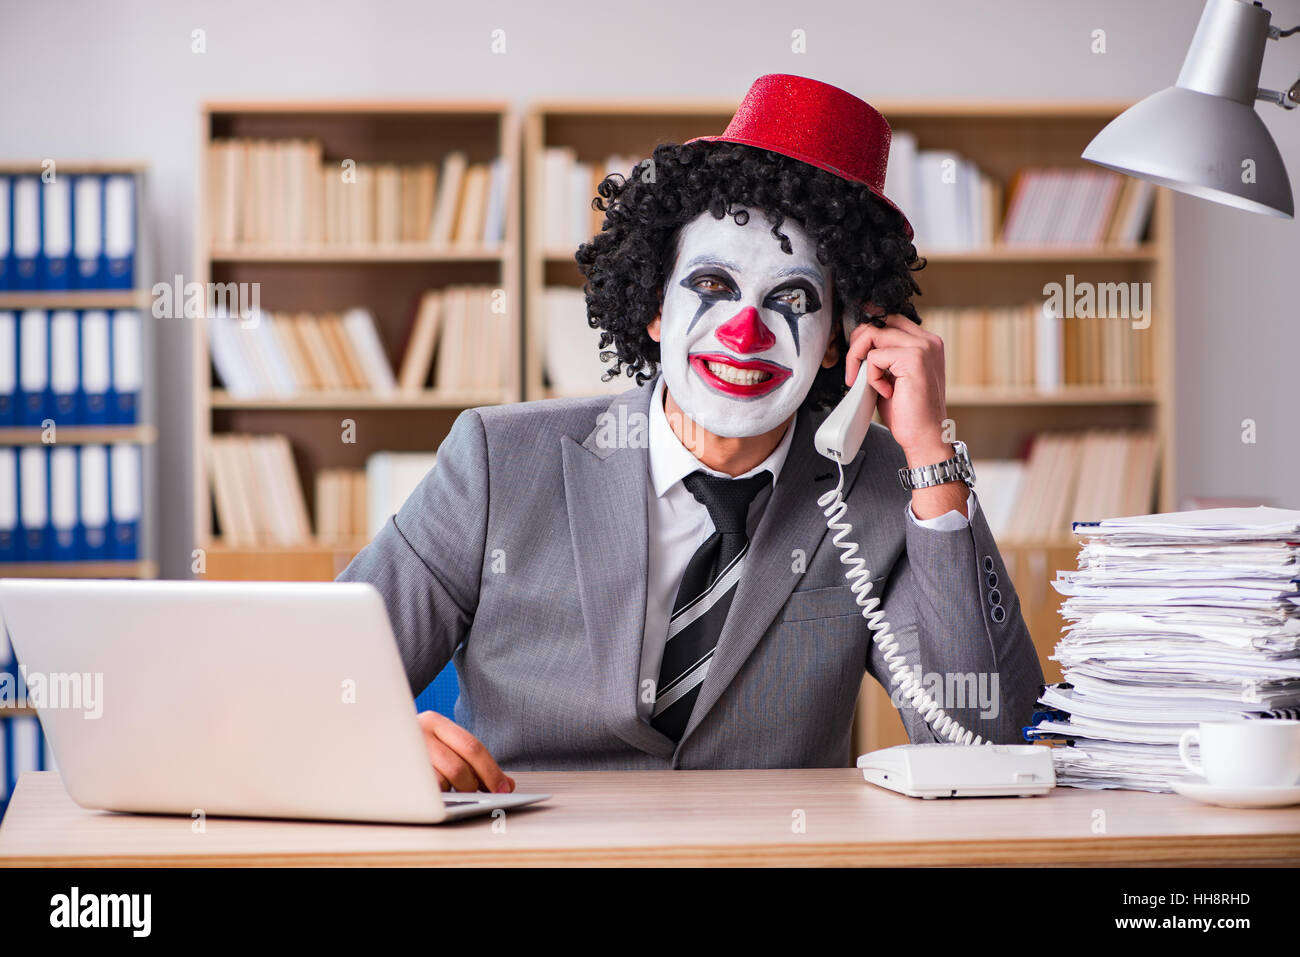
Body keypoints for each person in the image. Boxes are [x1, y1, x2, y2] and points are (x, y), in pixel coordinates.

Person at [337, 73, 1044, 793]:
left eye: (792, 298)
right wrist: (377, 737)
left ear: (842, 336)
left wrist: (930, 457)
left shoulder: (880, 495)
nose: (745, 332)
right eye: (712, 285)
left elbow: (988, 750)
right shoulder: (496, 462)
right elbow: (318, 690)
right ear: (653, 307)